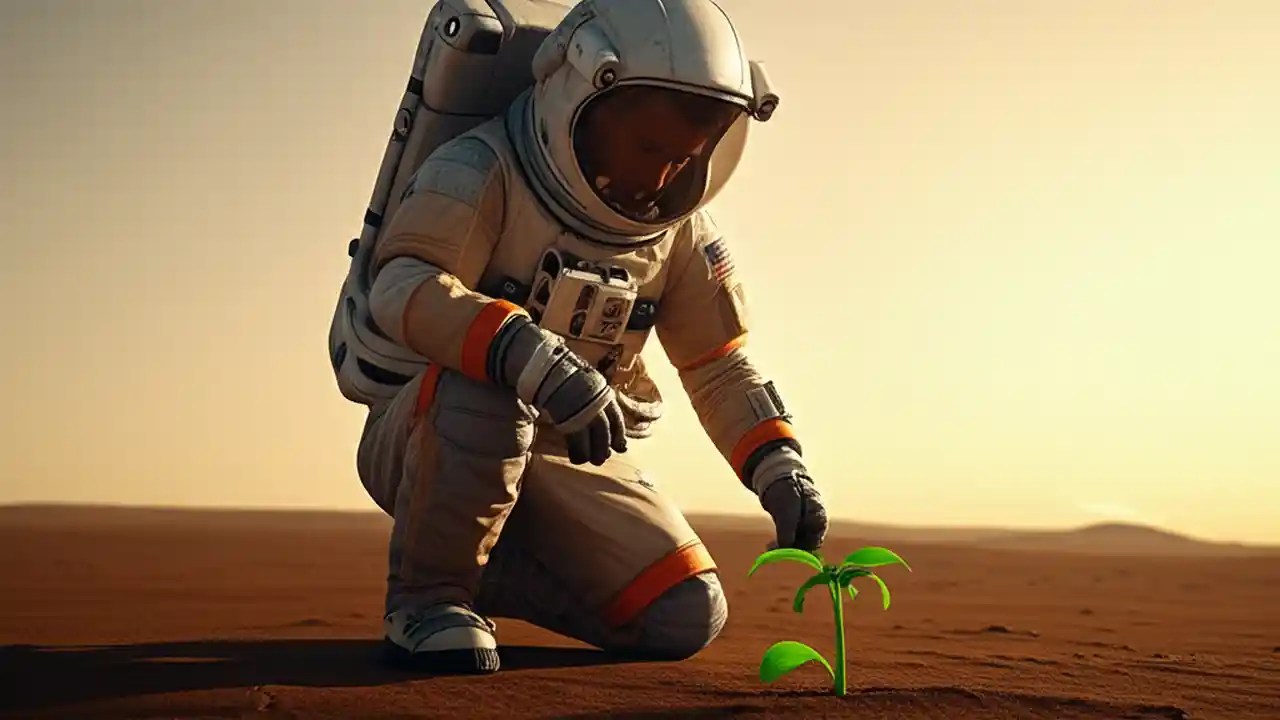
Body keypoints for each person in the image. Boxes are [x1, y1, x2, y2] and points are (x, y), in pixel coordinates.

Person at [353, 0, 829, 674]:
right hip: (428, 429)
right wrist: (523, 350)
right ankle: (427, 601)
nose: (662, 176)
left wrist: (777, 463)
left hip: (567, 452)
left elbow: (718, 366)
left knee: (685, 612)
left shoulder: (680, 233)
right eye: (646, 148)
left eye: (682, 156)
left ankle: (479, 573)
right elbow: (401, 285)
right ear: (584, 93)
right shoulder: (482, 171)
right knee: (486, 392)